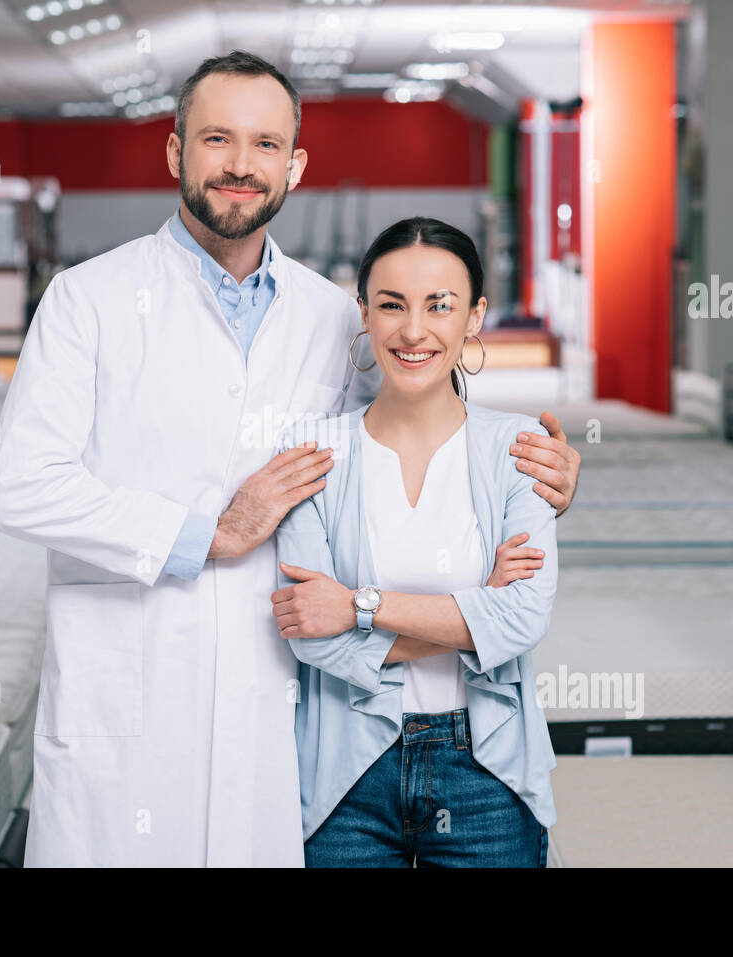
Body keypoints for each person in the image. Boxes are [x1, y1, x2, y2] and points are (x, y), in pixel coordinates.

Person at [0, 51, 581, 867]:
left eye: (265, 144)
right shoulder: (88, 300)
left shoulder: (332, 316)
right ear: (175, 153)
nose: (240, 165)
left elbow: (415, 419)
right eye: (217, 140)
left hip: (280, 695)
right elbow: (22, 486)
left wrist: (531, 471)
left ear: (294, 164)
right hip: (127, 682)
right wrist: (210, 532)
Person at [272, 217, 558, 867]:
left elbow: (521, 618)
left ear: (475, 316)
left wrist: (357, 603)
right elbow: (314, 634)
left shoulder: (519, 453)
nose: (413, 330)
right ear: (365, 313)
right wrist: (472, 609)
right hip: (347, 776)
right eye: (392, 304)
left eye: (440, 306)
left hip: (487, 770)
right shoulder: (315, 454)